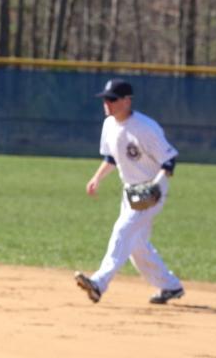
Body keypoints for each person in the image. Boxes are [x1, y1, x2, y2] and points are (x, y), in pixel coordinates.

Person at [74, 78, 185, 305]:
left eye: (112, 99)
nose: (107, 103)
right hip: (130, 191)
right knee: (136, 247)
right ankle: (170, 286)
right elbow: (111, 158)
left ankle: (99, 283)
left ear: (126, 101)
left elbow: (169, 160)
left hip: (152, 190)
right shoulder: (109, 125)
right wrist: (97, 178)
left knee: (122, 230)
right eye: (105, 99)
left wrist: (156, 185)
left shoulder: (146, 128)